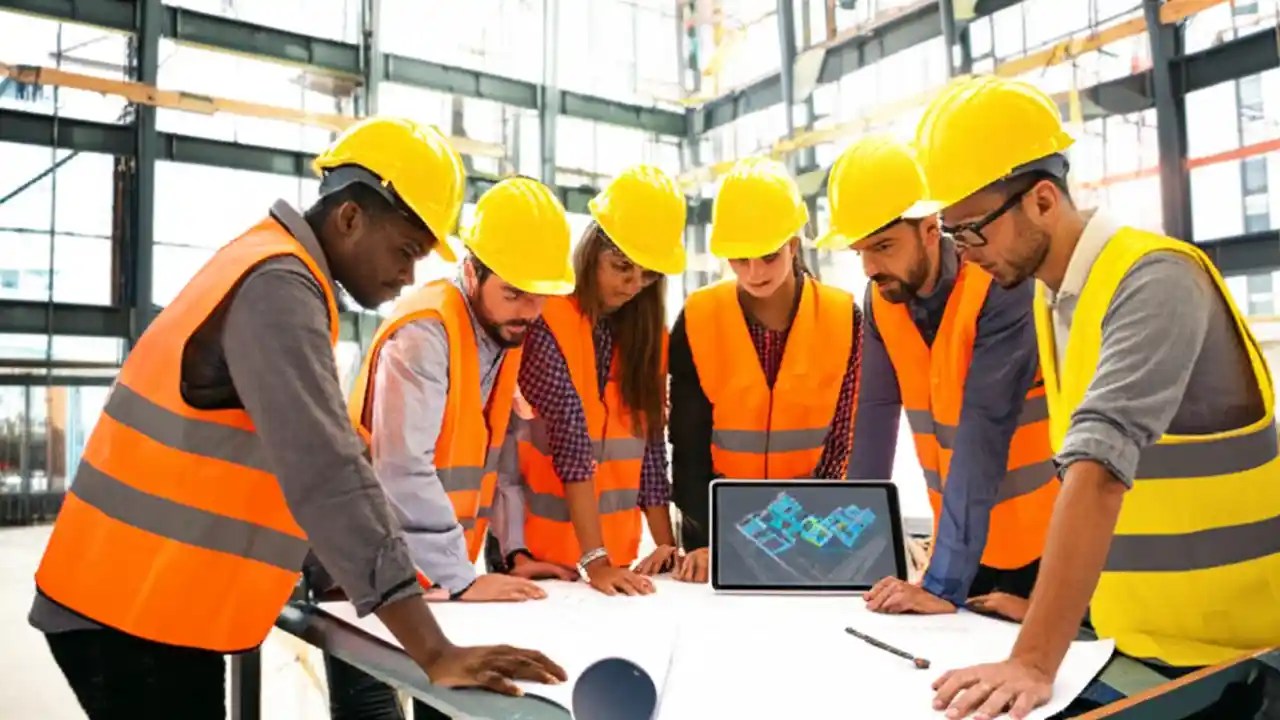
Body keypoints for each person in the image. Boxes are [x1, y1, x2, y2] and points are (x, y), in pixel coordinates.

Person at [28, 117, 565, 720]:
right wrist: (432, 648)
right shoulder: (278, 286)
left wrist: (342, 571)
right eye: (406, 250)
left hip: (150, 601)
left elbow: (293, 458)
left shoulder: (276, 272)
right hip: (127, 609)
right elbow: (325, 471)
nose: (409, 275)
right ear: (351, 219)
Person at [915, 75, 1280, 720]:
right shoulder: (1051, 298)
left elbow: (1100, 473)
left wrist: (1032, 657)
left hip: (1237, 663)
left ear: (1044, 201)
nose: (964, 255)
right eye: (953, 235)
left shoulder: (1155, 280)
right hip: (1141, 647)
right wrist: (1066, 614)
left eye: (972, 231)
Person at [326, 176, 580, 720]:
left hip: (433, 568)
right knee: (372, 706)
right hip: (363, 564)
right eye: (513, 293)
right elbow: (401, 470)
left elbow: (500, 461)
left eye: (538, 296)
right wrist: (461, 578)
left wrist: (513, 553)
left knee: (450, 701)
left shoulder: (504, 334)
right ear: (471, 271)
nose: (528, 311)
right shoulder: (425, 334)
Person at [818, 134, 1058, 619]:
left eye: (884, 246)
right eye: (859, 251)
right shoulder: (882, 299)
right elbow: (874, 423)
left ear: (931, 228)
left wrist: (943, 583)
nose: (869, 267)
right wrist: (843, 561)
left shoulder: (1002, 288)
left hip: (1044, 550)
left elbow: (982, 432)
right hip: (966, 546)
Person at [670, 156, 863, 583]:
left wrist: (813, 529)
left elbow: (843, 439)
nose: (754, 272)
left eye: (768, 256)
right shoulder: (699, 316)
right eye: (739, 259)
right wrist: (702, 541)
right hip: (713, 527)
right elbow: (687, 442)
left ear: (794, 244)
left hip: (812, 526)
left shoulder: (842, 316)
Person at [499, 165, 688, 597]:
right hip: (535, 559)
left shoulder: (647, 339)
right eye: (621, 266)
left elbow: (651, 454)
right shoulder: (546, 319)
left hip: (612, 563)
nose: (633, 285)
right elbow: (569, 434)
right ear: (591, 250)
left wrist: (665, 546)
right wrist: (593, 560)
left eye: (648, 275)